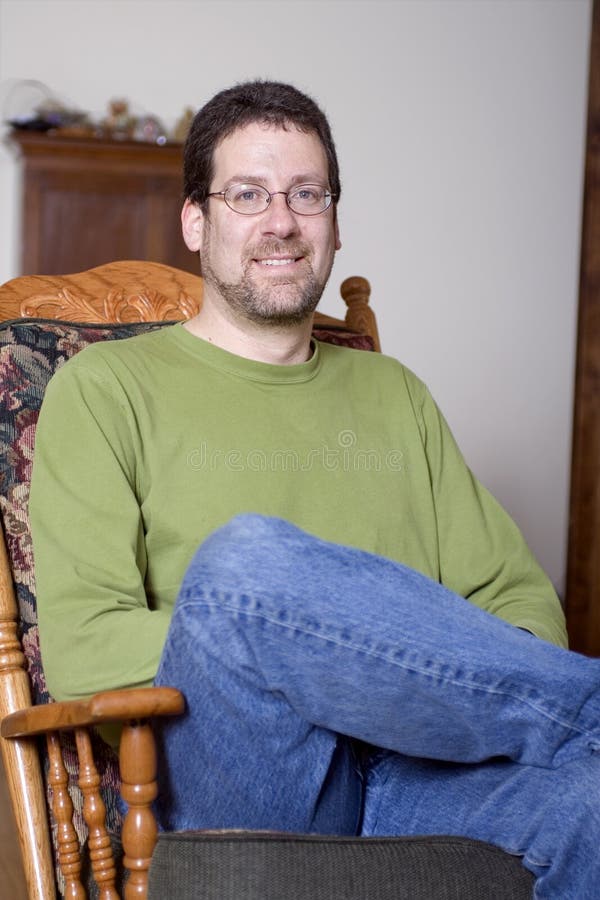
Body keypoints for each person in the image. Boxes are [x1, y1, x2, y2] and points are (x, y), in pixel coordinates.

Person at [29, 81, 599, 899]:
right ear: (198, 222)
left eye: (307, 194)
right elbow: (84, 646)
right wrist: (309, 656)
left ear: (334, 218)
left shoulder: (393, 392)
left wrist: (386, 682)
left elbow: (517, 601)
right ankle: (589, 713)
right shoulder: (105, 389)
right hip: (240, 779)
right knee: (245, 570)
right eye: (248, 195)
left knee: (592, 801)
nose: (282, 222)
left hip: (416, 769)